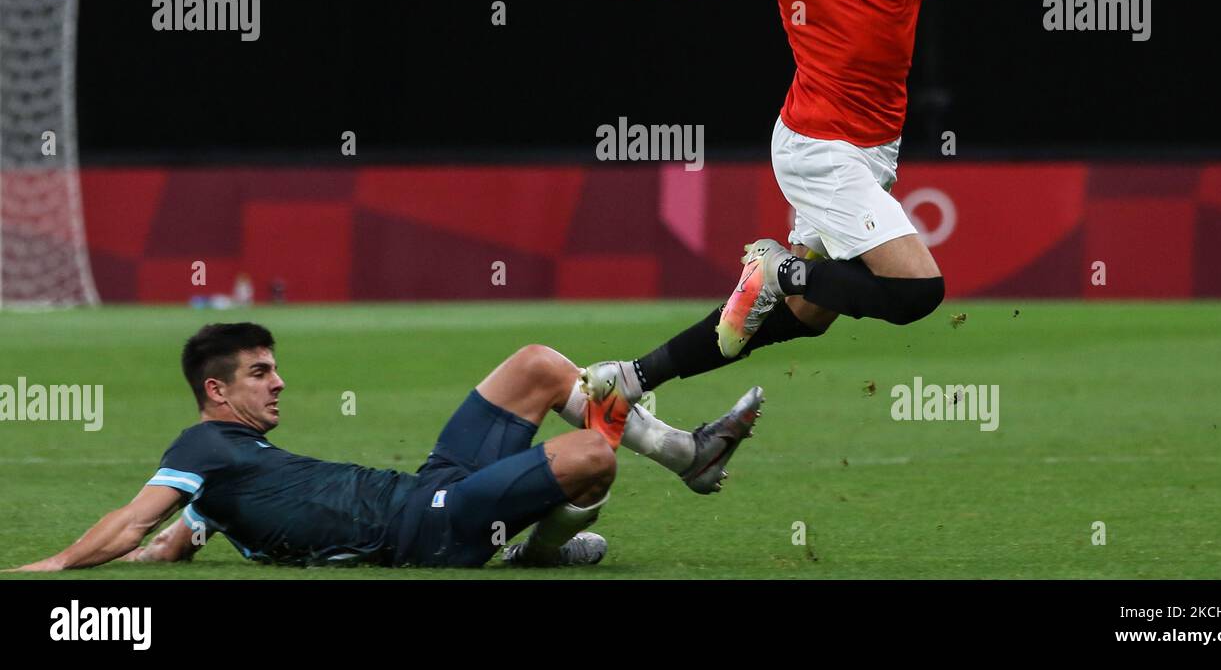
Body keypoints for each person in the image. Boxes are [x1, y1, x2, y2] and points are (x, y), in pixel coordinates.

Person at [477, 0, 1054, 406]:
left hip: (873, 148)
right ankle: (776, 267)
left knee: (803, 312)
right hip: (819, 147)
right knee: (917, 292)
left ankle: (629, 380)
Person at [8, 323, 761, 572]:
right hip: (424, 529)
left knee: (534, 362)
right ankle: (533, 557)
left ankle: (687, 455)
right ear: (215, 391)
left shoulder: (227, 468)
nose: (279, 383)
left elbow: (172, 538)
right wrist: (57, 566)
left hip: (428, 486)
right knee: (592, 457)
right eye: (260, 373)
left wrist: (165, 545)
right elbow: (137, 521)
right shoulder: (201, 446)